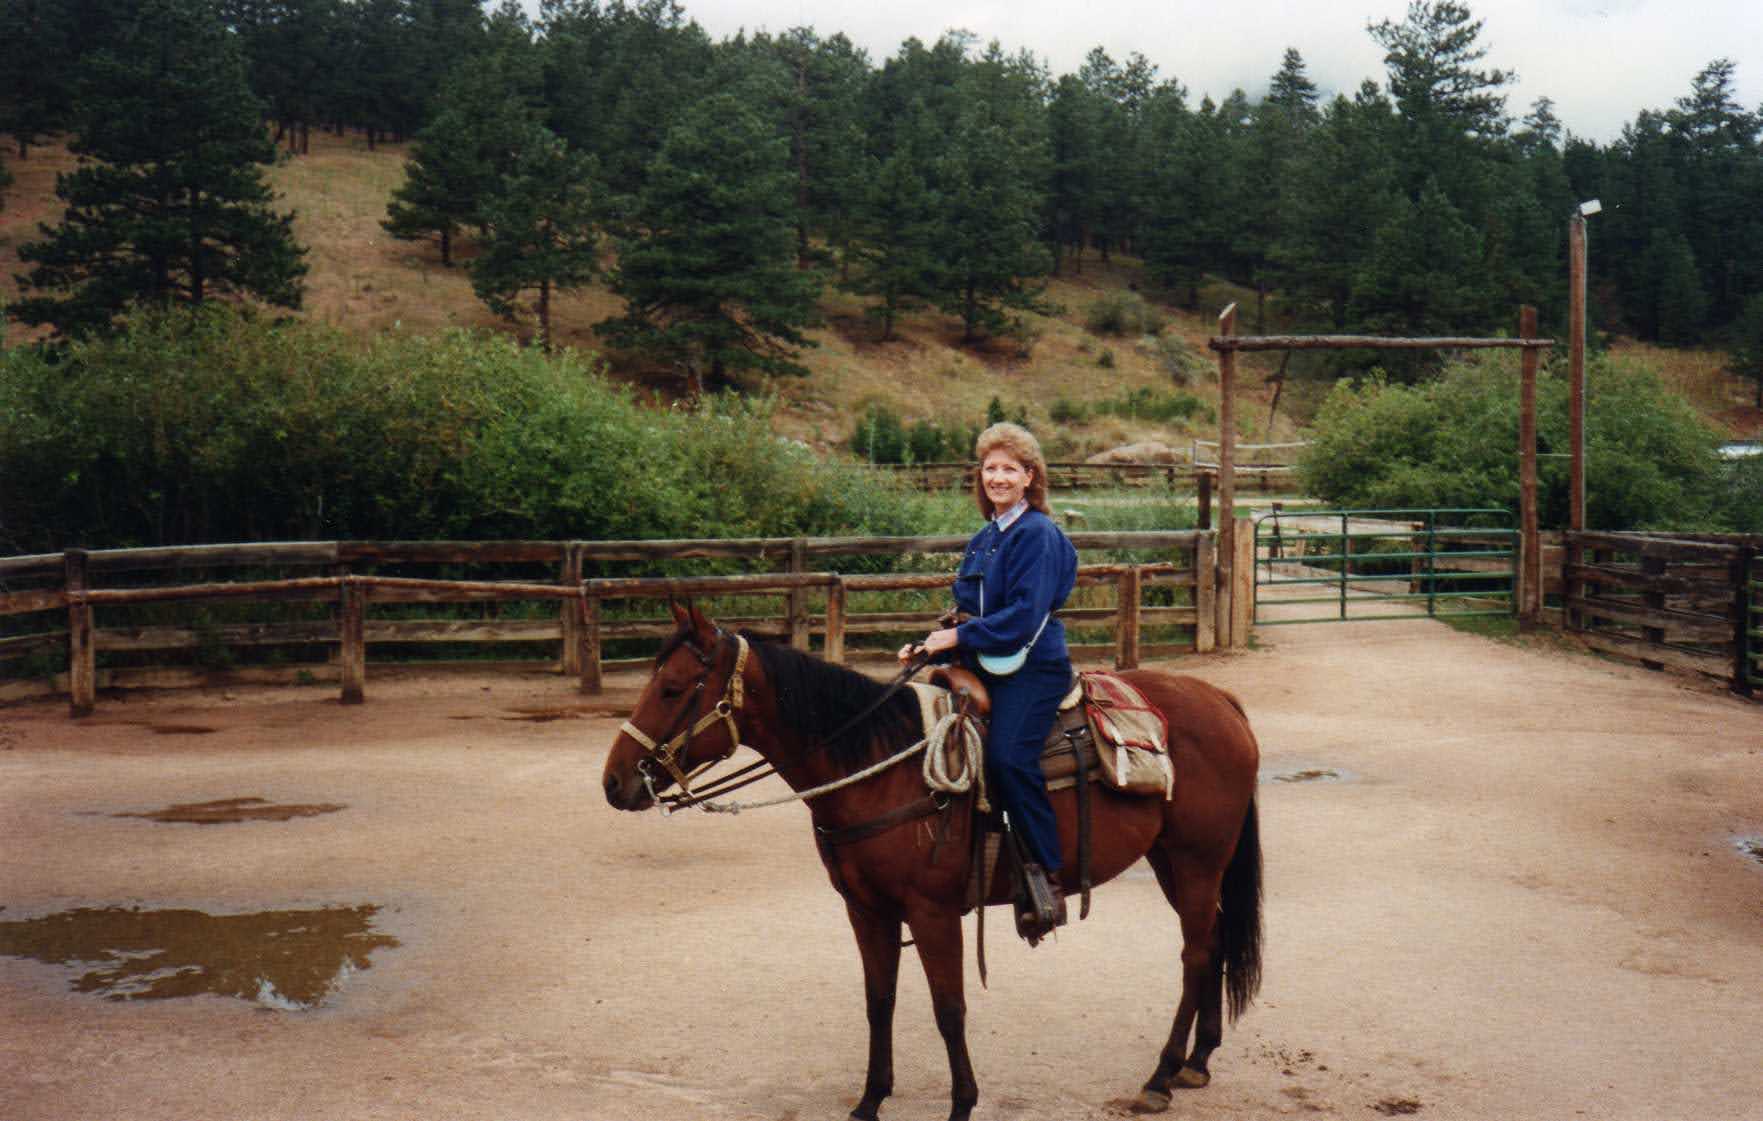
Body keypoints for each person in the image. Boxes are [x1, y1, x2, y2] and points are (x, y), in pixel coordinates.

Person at [898, 422, 1079, 935]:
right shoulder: (987, 537)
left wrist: (956, 641)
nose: (997, 478)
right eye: (990, 468)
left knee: (1007, 758)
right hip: (985, 660)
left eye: (1009, 469)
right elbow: (965, 609)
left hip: (1034, 666)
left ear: (1029, 477)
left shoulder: (1038, 535)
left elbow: (1023, 617)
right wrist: (928, 642)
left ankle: (1046, 875)